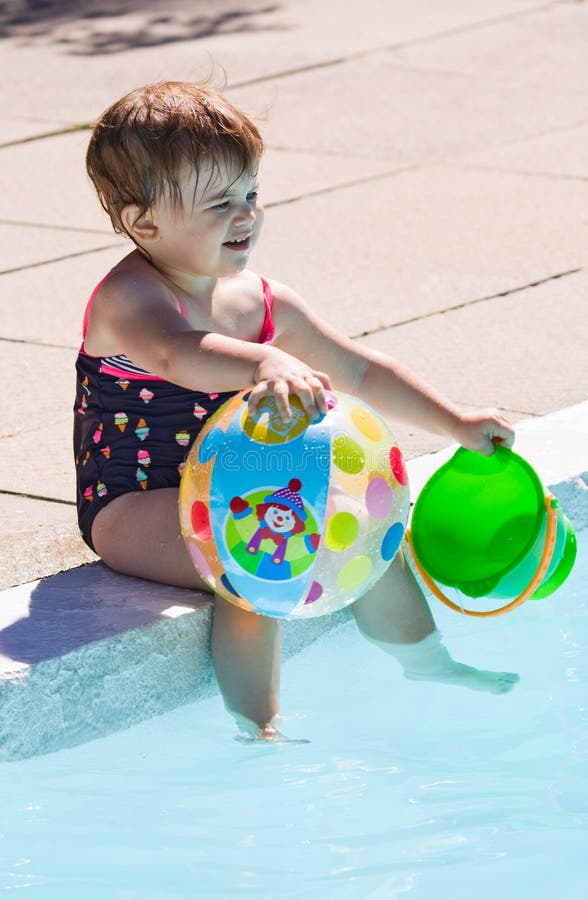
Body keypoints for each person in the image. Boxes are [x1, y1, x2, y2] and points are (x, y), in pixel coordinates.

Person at [74, 81, 518, 742]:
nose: (246, 214)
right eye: (220, 202)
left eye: (250, 193)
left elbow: (361, 369)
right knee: (261, 563)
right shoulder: (127, 300)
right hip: (136, 502)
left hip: (246, 485)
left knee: (369, 541)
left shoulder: (261, 301)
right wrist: (261, 362)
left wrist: (455, 422)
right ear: (144, 224)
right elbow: (174, 354)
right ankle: (260, 727)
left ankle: (428, 664)